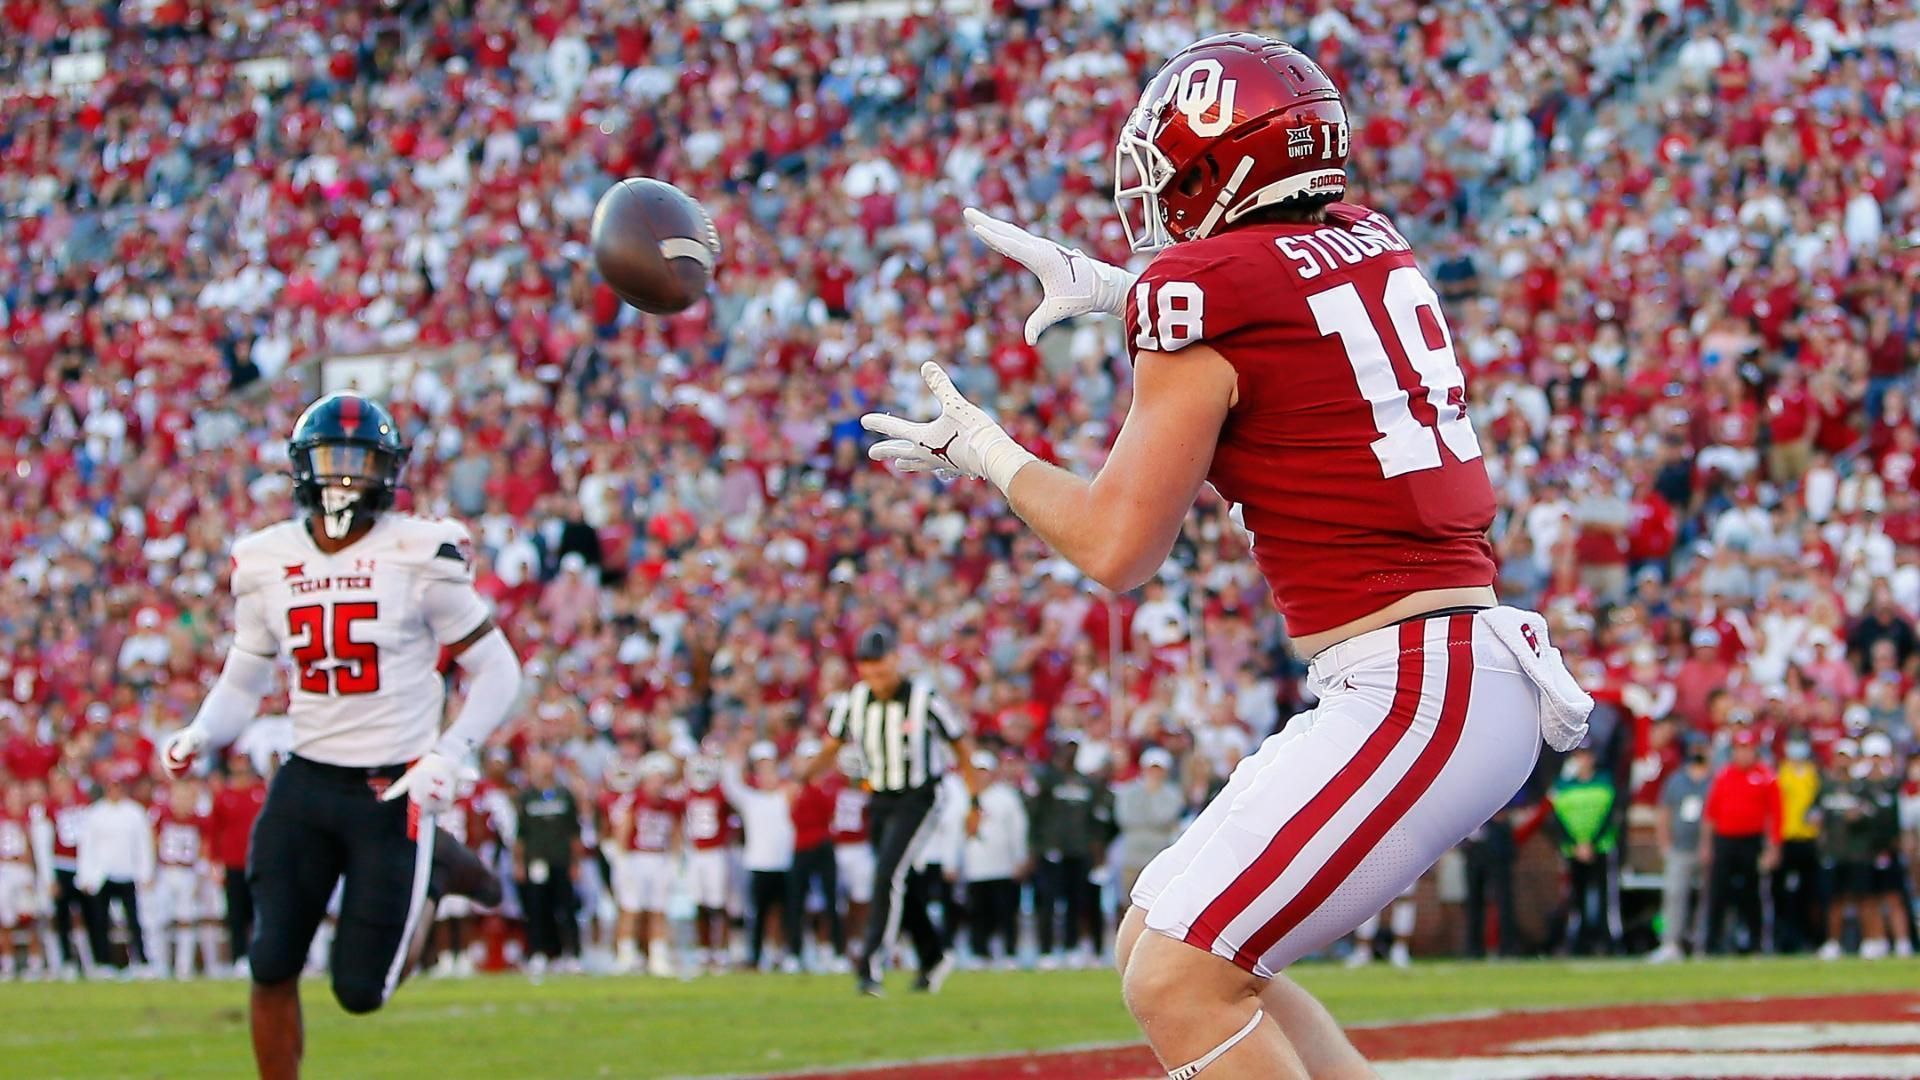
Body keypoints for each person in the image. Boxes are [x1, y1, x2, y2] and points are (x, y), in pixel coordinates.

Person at [863, 32, 1589, 1078]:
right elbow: (1287, 314)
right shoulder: (1368, 238)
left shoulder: (1202, 287)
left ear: (1223, 169)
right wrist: (1122, 289)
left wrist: (987, 452)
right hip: (1441, 668)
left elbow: (1117, 547)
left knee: (1179, 979)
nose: (1156, 199)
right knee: (1155, 937)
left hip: (1418, 686)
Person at [154, 392, 522, 1080]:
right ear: (303, 466)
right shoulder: (265, 558)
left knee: (360, 992)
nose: (346, 476)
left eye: (361, 460)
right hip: (307, 777)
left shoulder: (419, 550)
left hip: (391, 786)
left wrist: (450, 752)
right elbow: (243, 680)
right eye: (332, 459)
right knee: (270, 960)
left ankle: (436, 874)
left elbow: (498, 668)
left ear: (390, 469)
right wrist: (202, 731)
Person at [806, 624, 983, 996]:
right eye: (868, 666)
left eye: (881, 665)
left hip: (920, 796)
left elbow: (961, 747)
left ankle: (870, 966)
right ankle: (934, 954)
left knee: (887, 874)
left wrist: (974, 801)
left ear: (895, 660)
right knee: (903, 879)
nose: (876, 675)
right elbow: (832, 744)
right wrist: (803, 776)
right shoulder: (854, 701)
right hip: (880, 798)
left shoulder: (924, 697)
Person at [1029, 735, 1115, 969]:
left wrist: (1095, 850)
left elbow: (1095, 820)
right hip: (1052, 850)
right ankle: (1046, 950)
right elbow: (1035, 816)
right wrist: (1036, 848)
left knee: (1076, 902)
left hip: (1079, 850)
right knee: (1048, 901)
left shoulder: (1086, 783)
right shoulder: (1047, 780)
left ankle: (1072, 947)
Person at [1700, 729, 1780, 955]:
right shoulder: (1724, 776)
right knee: (1718, 892)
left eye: (1747, 749)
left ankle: (1755, 943)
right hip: (1725, 839)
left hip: (1751, 840)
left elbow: (1775, 815)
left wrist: (1773, 847)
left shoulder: (1766, 777)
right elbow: (1711, 814)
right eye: (1739, 749)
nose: (1743, 754)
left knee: (1751, 893)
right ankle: (1712, 943)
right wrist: (1706, 845)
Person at [514, 749, 583, 974]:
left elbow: (574, 833)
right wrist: (519, 863)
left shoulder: (565, 795)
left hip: (561, 859)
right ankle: (539, 953)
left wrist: (576, 863)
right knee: (537, 909)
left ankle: (571, 954)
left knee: (566, 908)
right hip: (536, 860)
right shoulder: (527, 797)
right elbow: (520, 835)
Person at [76, 775, 154, 974]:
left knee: (134, 920)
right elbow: (87, 847)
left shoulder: (134, 812)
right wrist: (85, 875)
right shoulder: (95, 813)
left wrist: (146, 872)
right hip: (103, 874)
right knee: (101, 921)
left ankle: (141, 961)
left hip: (128, 872)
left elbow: (144, 845)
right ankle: (103, 962)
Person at [1549, 743, 1621, 955]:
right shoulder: (1563, 786)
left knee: (1605, 896)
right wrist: (1575, 844)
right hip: (1573, 850)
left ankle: (1607, 941)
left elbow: (1611, 815)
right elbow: (1556, 819)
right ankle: (1578, 941)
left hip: (1600, 847)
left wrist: (1592, 843)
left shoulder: (1605, 782)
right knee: (1575, 898)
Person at [960, 751, 1029, 967]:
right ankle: (979, 953)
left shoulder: (1006, 797)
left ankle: (1010, 952)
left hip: (1003, 865)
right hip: (975, 866)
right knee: (978, 913)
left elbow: (1018, 830)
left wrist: (1020, 858)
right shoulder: (963, 797)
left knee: (1006, 912)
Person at [1650, 740, 1714, 962]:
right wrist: (1664, 843)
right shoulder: (1676, 780)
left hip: (1707, 849)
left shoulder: (1714, 779)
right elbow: (1663, 812)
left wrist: (1710, 845)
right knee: (1674, 895)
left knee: (1708, 898)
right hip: (1679, 848)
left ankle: (1702, 943)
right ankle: (1669, 943)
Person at [209, 754, 268, 976]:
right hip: (233, 862)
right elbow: (215, 832)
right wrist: (215, 861)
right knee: (236, 914)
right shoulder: (224, 796)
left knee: (259, 913)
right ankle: (238, 957)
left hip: (258, 861)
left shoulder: (262, 792)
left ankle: (259, 955)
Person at [680, 755, 735, 973]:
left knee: (718, 903)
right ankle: (703, 949)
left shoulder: (721, 794)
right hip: (695, 853)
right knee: (699, 903)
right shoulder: (686, 794)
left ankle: (722, 950)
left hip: (716, 852)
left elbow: (733, 818)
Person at [1772, 733, 1823, 954]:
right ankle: (1784, 939)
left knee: (1809, 893)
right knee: (1781, 893)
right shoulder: (1780, 773)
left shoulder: (1814, 774)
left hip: (1809, 839)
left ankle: (1808, 938)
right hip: (1786, 838)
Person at [1114, 748, 1187, 900]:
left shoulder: (1173, 793)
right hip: (1132, 855)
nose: (1154, 774)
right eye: (1151, 769)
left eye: (1159, 770)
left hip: (1158, 857)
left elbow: (1165, 818)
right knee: (1127, 900)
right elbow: (1125, 817)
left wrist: (1152, 796)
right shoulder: (1129, 791)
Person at [0, 783, 45, 978]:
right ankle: (8, 963)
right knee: (6, 920)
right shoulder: (3, 818)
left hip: (24, 871)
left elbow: (36, 848)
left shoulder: (30, 818)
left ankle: (35, 963)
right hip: (5, 871)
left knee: (29, 917)